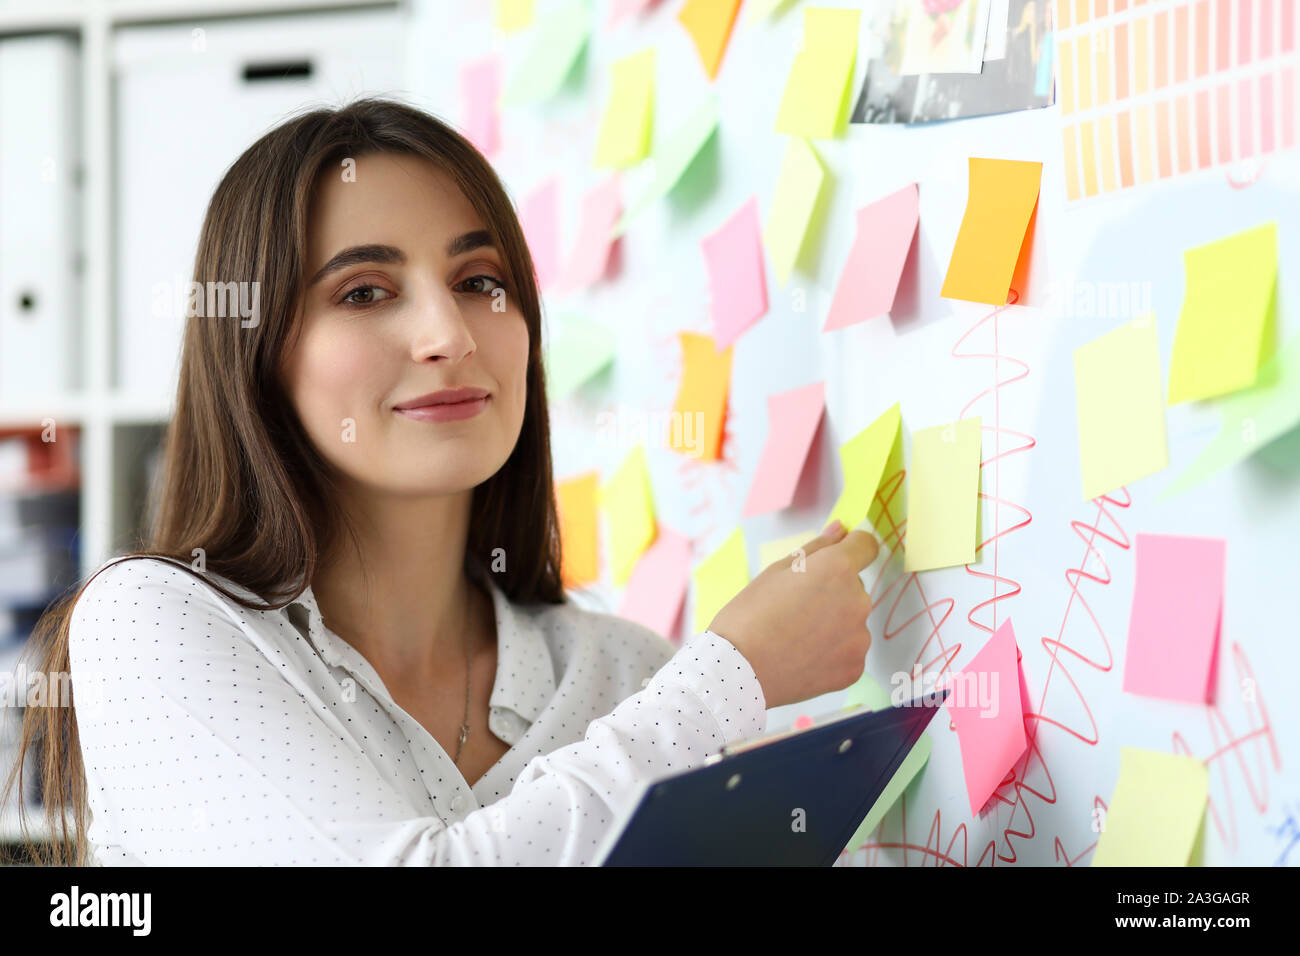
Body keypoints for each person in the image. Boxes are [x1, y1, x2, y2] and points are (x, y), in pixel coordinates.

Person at [3, 96, 879, 866]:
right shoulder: (151, 624)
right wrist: (735, 675)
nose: (449, 334)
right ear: (257, 352)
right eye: (364, 291)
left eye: (479, 281)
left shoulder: (629, 676)